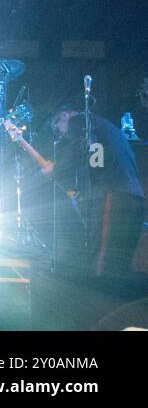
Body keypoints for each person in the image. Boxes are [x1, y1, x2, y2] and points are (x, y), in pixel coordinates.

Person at [46, 105, 145, 279]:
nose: (60, 135)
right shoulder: (102, 127)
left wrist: (57, 169)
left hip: (114, 197)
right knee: (119, 266)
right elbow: (97, 160)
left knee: (102, 266)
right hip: (134, 196)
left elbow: (79, 149)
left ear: (64, 115)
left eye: (57, 128)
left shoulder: (80, 121)